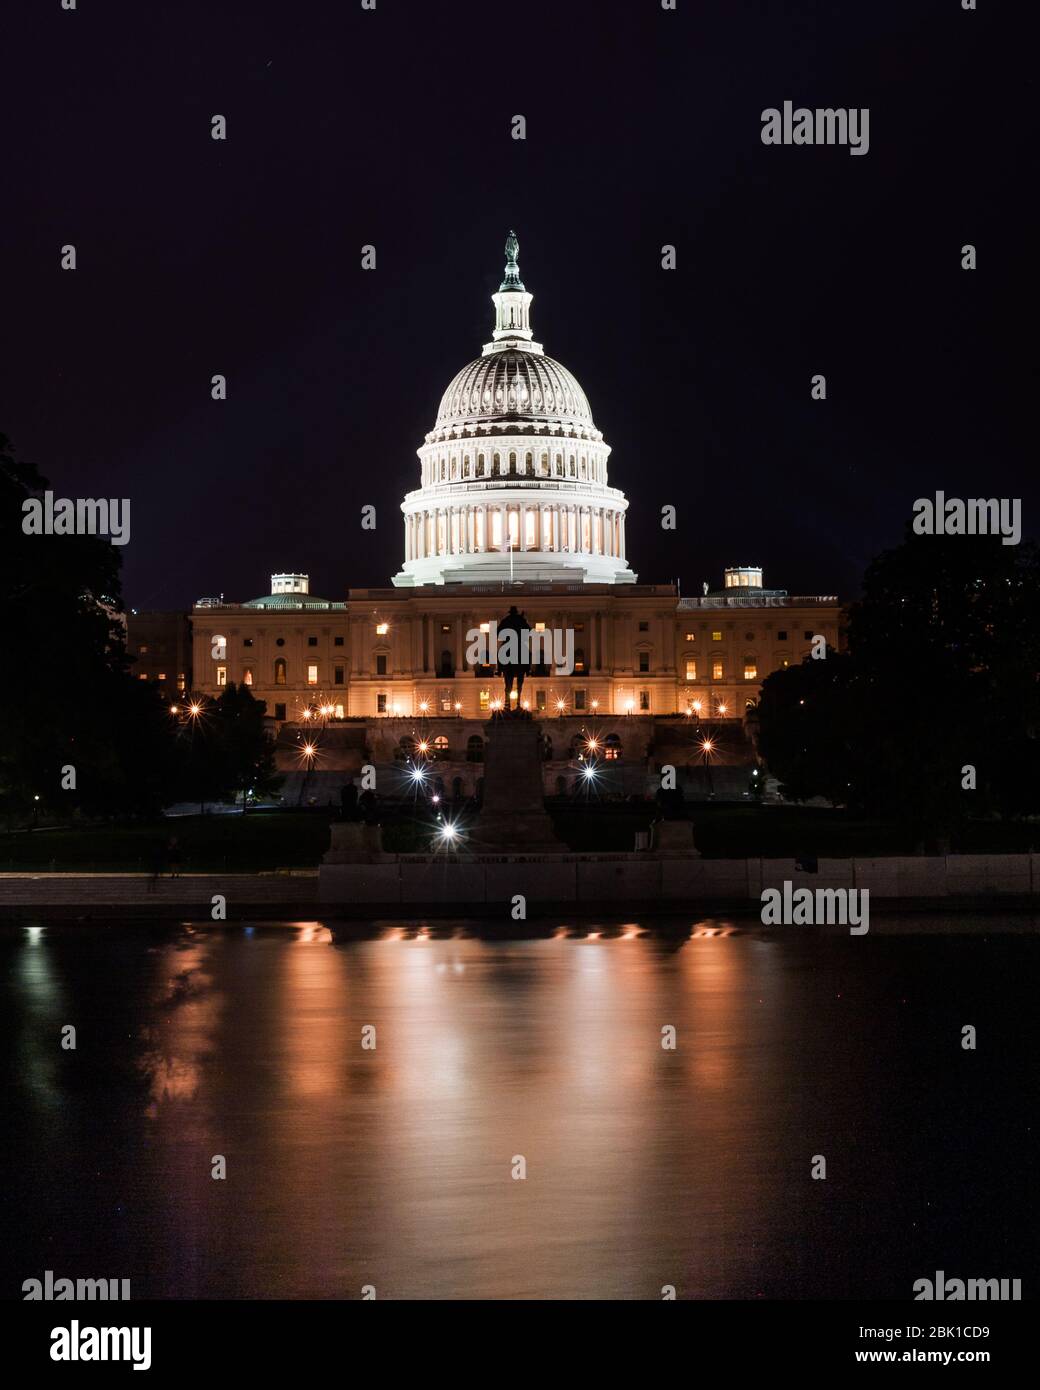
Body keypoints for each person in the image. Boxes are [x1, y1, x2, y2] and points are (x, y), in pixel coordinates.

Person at [496, 604, 531, 707]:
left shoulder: (506, 620)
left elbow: (498, 632)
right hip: (519, 643)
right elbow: (529, 631)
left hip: (508, 643)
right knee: (528, 654)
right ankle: (527, 669)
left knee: (500, 653)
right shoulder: (520, 619)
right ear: (516, 612)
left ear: (510, 612)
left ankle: (499, 669)